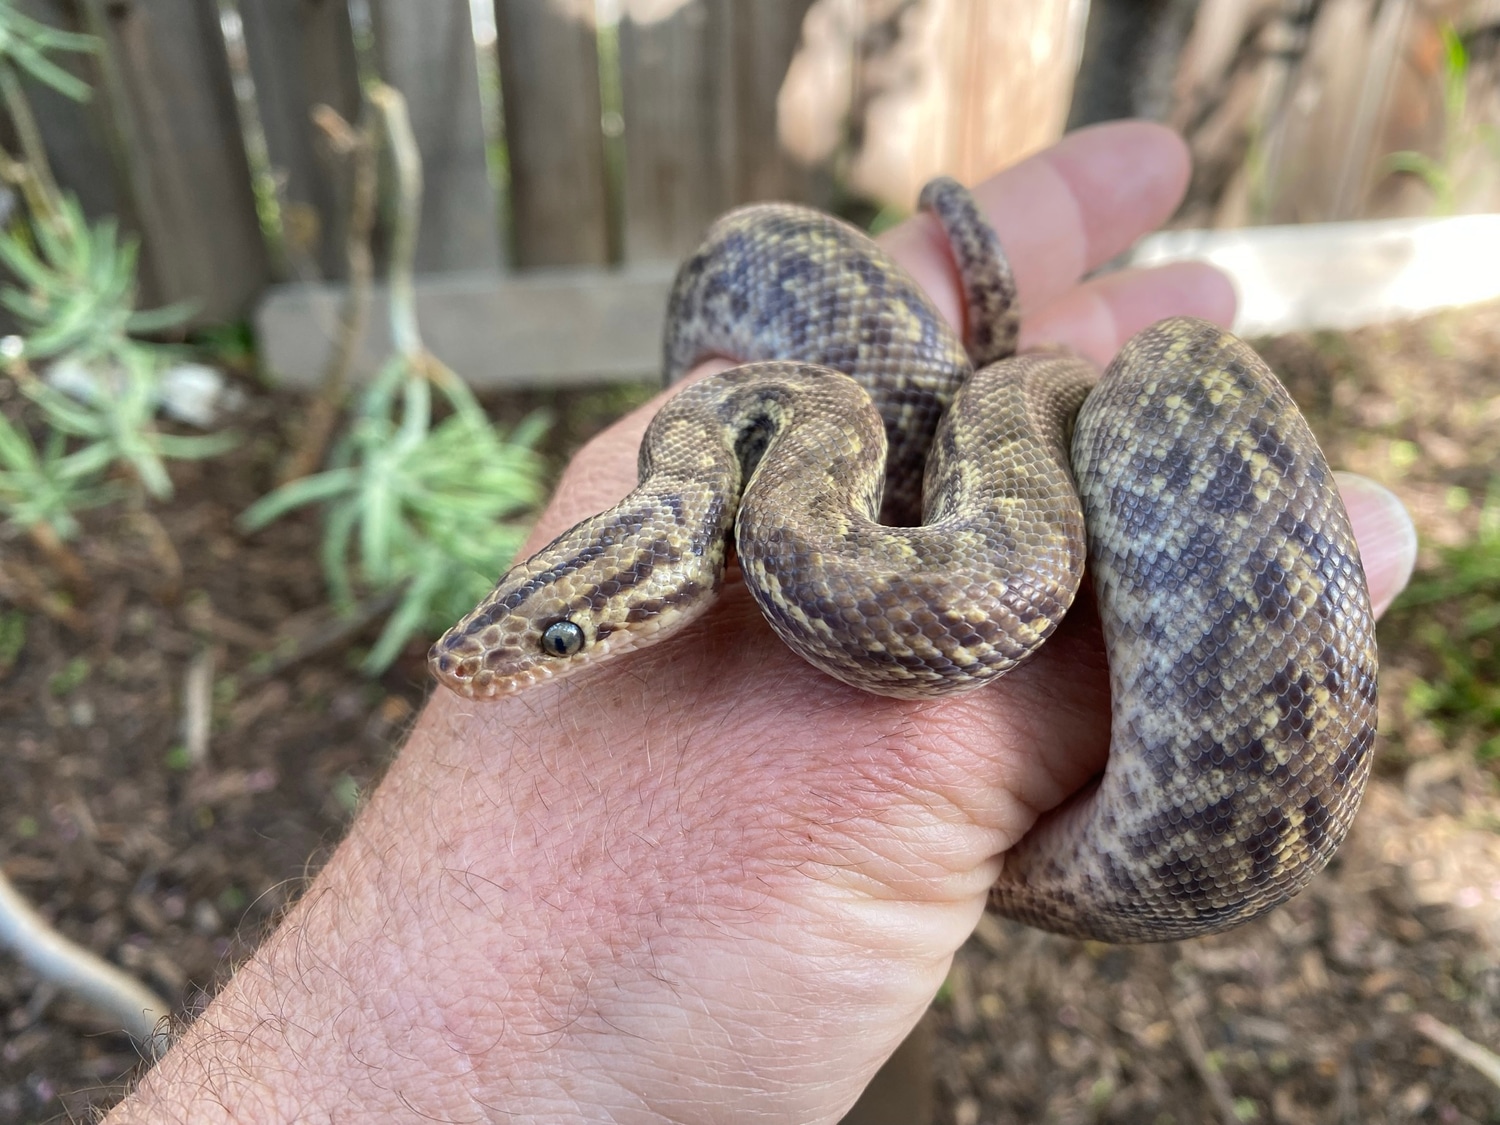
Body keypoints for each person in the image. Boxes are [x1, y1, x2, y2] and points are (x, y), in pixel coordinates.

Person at [105, 122, 1416, 1124]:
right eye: (558, 637)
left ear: (702, 564)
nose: (529, 662)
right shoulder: (714, 445)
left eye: (561, 643)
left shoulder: (772, 476)